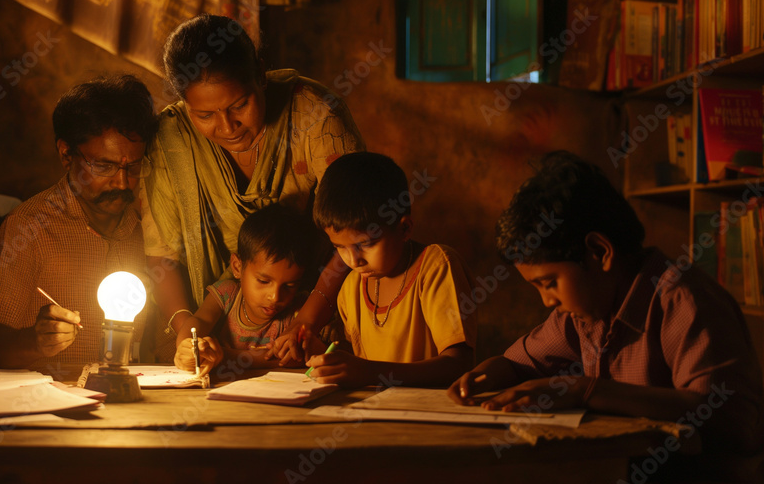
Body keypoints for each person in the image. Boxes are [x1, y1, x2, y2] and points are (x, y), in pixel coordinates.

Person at [447, 151, 763, 473]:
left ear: (599, 252)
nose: (546, 301)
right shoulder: (584, 314)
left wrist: (586, 391)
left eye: (549, 283)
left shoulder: (685, 301)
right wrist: (484, 375)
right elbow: (516, 364)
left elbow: (731, 420)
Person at [141, 14, 365, 353]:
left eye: (239, 105)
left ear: (260, 74)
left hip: (314, 305)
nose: (228, 127)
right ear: (187, 105)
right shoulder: (172, 139)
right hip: (215, 322)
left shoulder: (316, 115)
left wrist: (308, 318)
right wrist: (188, 326)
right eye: (205, 115)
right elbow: (162, 255)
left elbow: (357, 227)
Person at [0, 75, 159, 370]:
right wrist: (35, 341)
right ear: (66, 154)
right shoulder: (28, 228)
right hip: (44, 405)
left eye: (134, 165)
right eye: (104, 165)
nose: (122, 181)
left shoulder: (146, 229)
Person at [303, 152, 476, 387]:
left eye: (365, 244)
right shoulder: (352, 287)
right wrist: (323, 355)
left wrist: (369, 372)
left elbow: (458, 365)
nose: (353, 260)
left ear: (404, 228)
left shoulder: (436, 267)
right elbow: (358, 358)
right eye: (339, 247)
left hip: (431, 414)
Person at [173, 204, 323, 375]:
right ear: (237, 267)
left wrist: (227, 356)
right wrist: (187, 347)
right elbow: (199, 321)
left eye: (290, 286)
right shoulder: (226, 295)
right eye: (263, 280)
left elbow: (298, 358)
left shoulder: (300, 311)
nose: (275, 297)